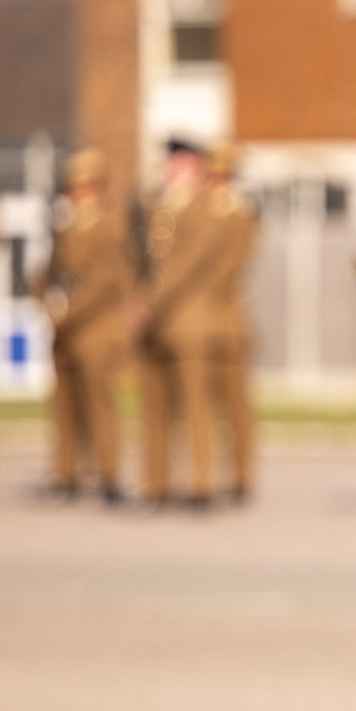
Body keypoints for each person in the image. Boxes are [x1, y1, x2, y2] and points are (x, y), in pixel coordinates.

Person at [37, 148, 133, 504]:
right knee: (64, 408)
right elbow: (48, 271)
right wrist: (43, 303)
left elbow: (106, 281)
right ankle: (65, 475)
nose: (75, 193)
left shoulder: (111, 225)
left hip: (95, 328)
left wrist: (68, 312)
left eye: (82, 186)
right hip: (64, 332)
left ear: (96, 187)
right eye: (72, 187)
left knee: (100, 407)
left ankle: (109, 475)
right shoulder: (66, 224)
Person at [139, 138, 221, 509]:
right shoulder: (159, 207)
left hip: (187, 319)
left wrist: (149, 302)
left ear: (192, 166)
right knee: (155, 406)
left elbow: (186, 266)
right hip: (155, 322)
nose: (169, 168)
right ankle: (157, 485)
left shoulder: (204, 209)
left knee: (194, 406)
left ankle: (201, 484)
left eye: (177, 162)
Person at [202, 142, 258, 504]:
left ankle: (240, 475)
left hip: (228, 318)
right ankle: (207, 473)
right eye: (213, 176)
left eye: (223, 176)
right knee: (204, 405)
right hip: (202, 318)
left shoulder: (241, 215)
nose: (217, 183)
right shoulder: (203, 212)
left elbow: (231, 264)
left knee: (235, 403)